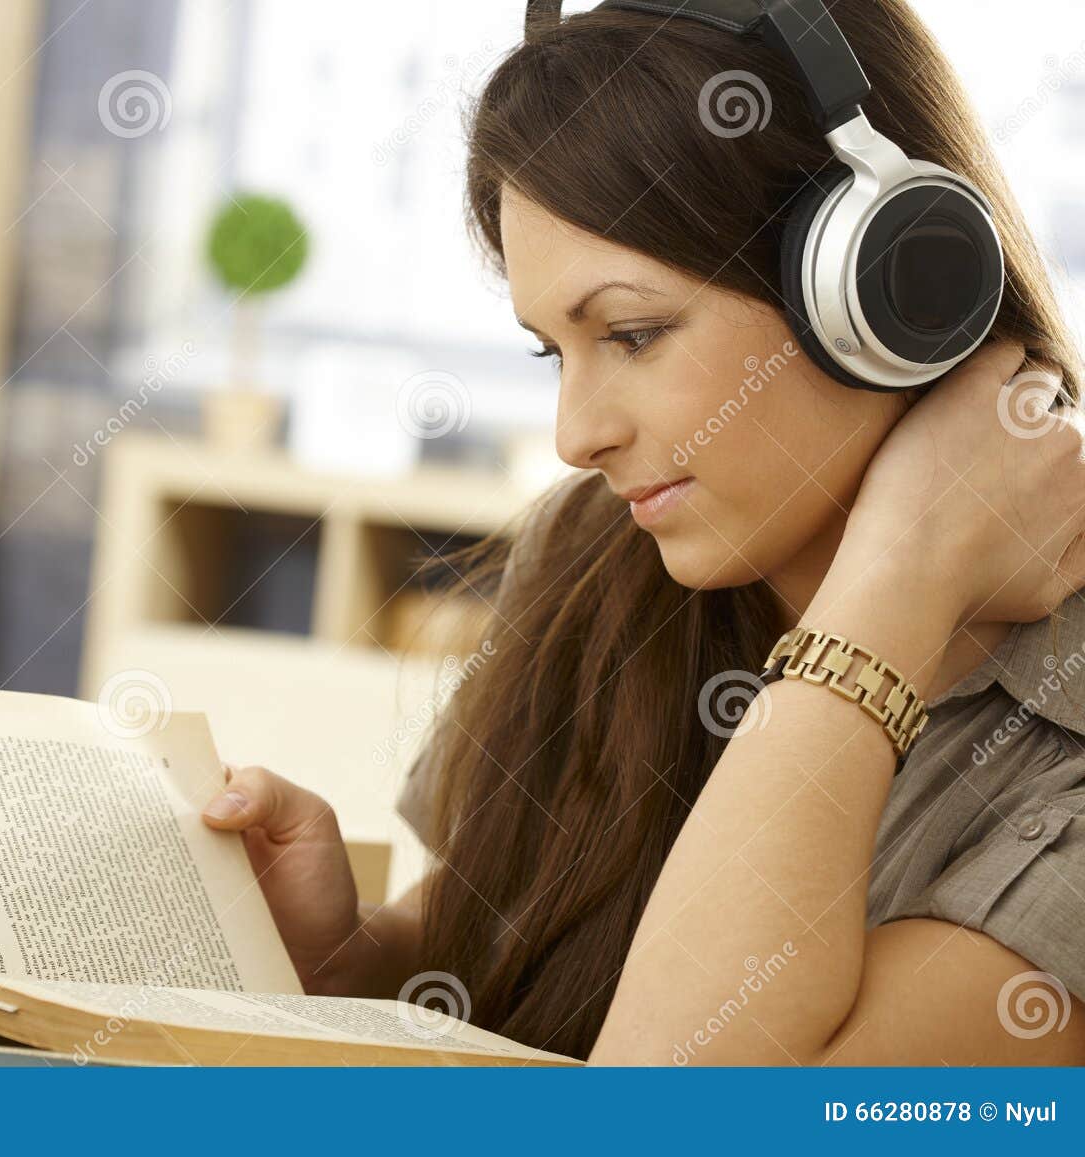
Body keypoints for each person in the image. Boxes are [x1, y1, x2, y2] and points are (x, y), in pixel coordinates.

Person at [201, 0, 1085, 1065]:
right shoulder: (596, 556)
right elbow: (548, 945)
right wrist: (358, 961)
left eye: (632, 333)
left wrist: (894, 581)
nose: (577, 436)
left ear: (896, 286)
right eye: (550, 353)